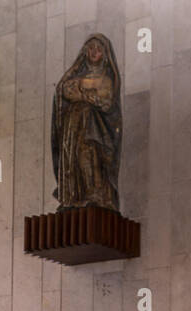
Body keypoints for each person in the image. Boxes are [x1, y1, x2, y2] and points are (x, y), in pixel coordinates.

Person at [51, 34, 121, 212]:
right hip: (74, 129)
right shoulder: (76, 75)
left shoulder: (107, 78)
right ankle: (75, 195)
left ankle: (95, 193)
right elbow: (64, 91)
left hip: (96, 129)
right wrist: (86, 94)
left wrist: (82, 92)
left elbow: (106, 103)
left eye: (98, 49)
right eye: (91, 48)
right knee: (74, 156)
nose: (94, 52)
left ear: (105, 53)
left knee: (89, 155)